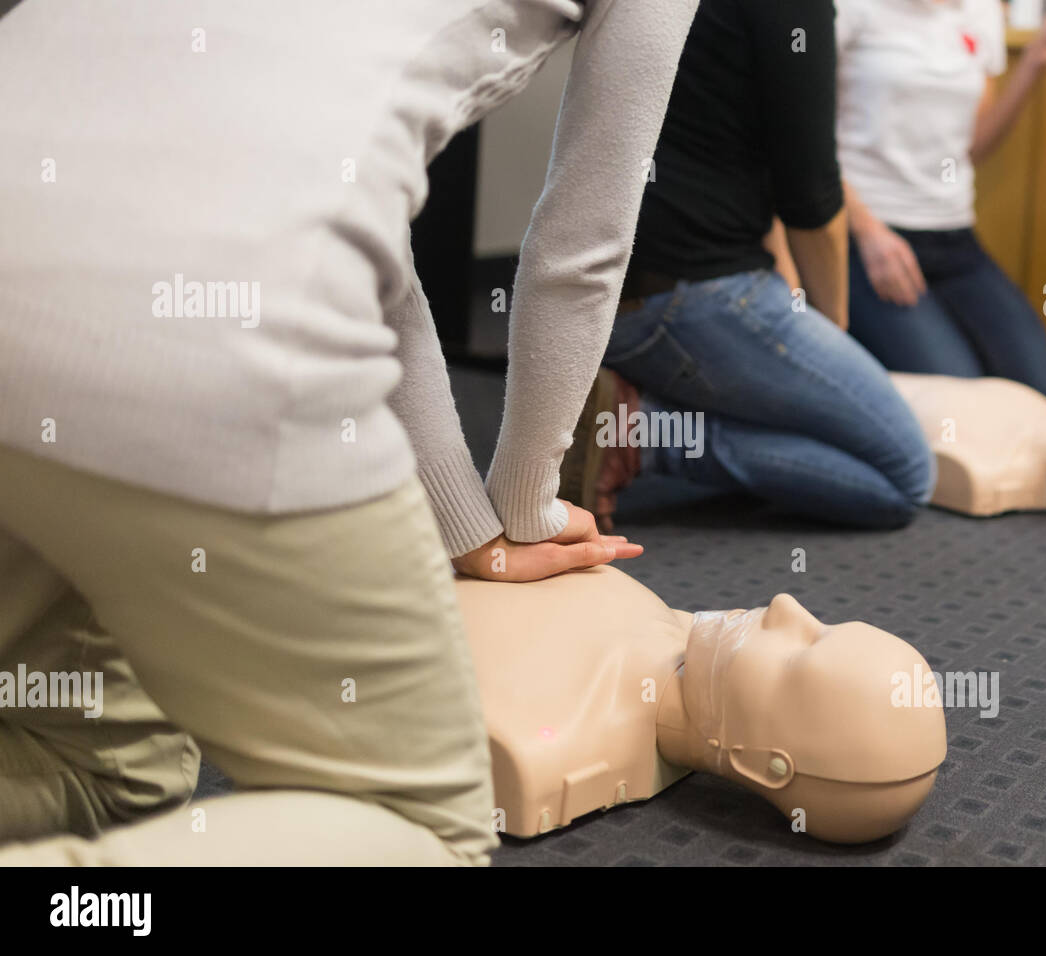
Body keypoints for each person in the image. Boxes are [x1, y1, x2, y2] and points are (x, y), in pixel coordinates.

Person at [0, 0, 695, 865]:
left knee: (98, 766)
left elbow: (340, 190)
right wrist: (525, 507)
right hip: (200, 309)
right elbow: (582, 244)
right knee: (425, 827)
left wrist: (465, 526)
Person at [562, 0, 934, 533]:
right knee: (904, 476)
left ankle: (644, 399)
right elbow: (811, 196)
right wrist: (830, 333)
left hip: (586, 284)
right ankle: (641, 435)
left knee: (825, 414)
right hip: (684, 296)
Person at [837, 0, 1046, 406]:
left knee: (1042, 395)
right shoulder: (848, 8)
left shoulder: (981, 10)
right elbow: (802, 140)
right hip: (867, 237)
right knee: (961, 407)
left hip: (954, 238)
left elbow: (970, 147)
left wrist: (1033, 64)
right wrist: (868, 233)